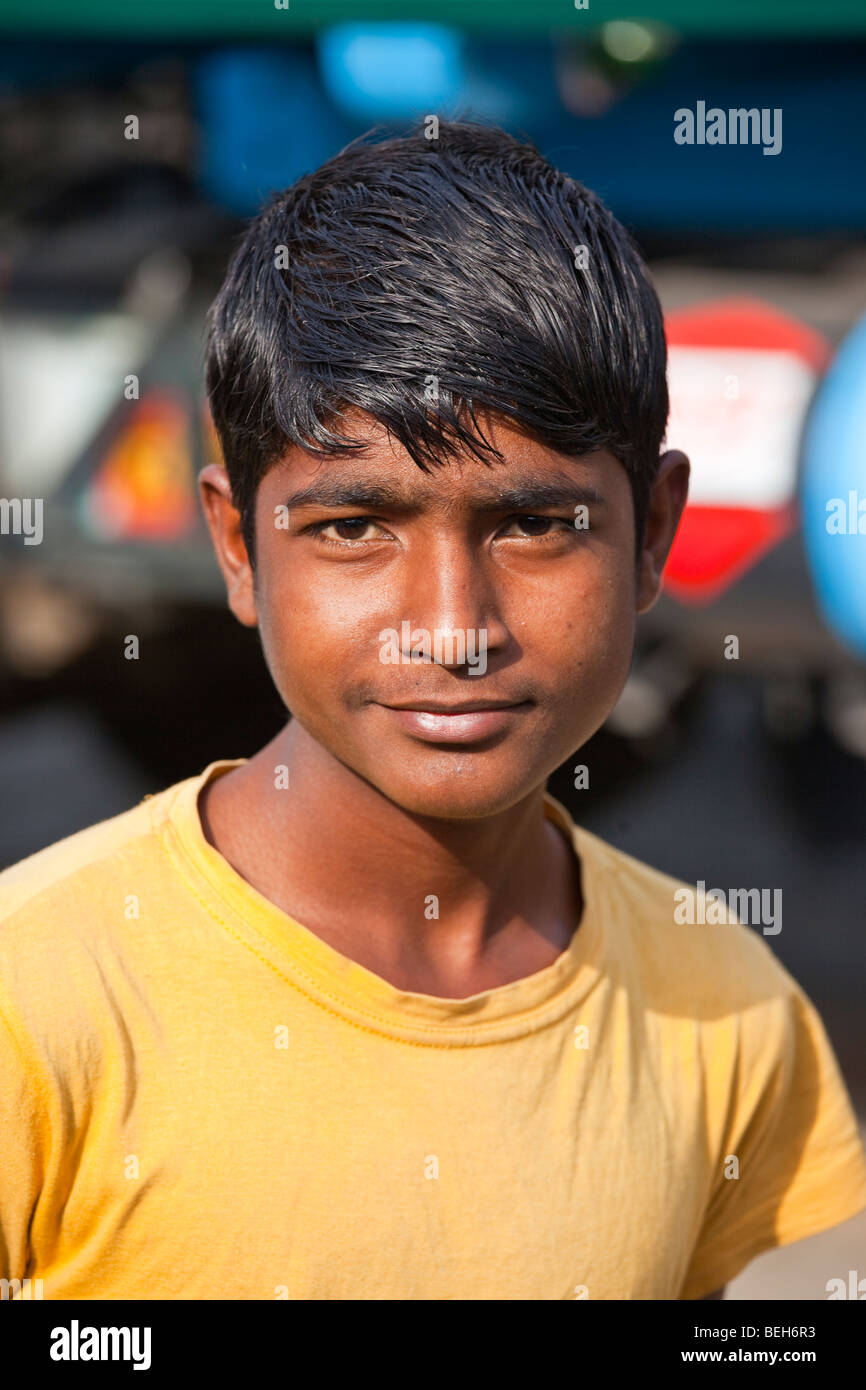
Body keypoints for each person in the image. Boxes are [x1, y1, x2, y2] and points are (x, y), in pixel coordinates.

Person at [1, 121, 864, 1301]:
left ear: (653, 532)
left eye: (532, 524)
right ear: (235, 547)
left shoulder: (719, 1004)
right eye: (353, 528)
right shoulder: (34, 997)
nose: (450, 627)